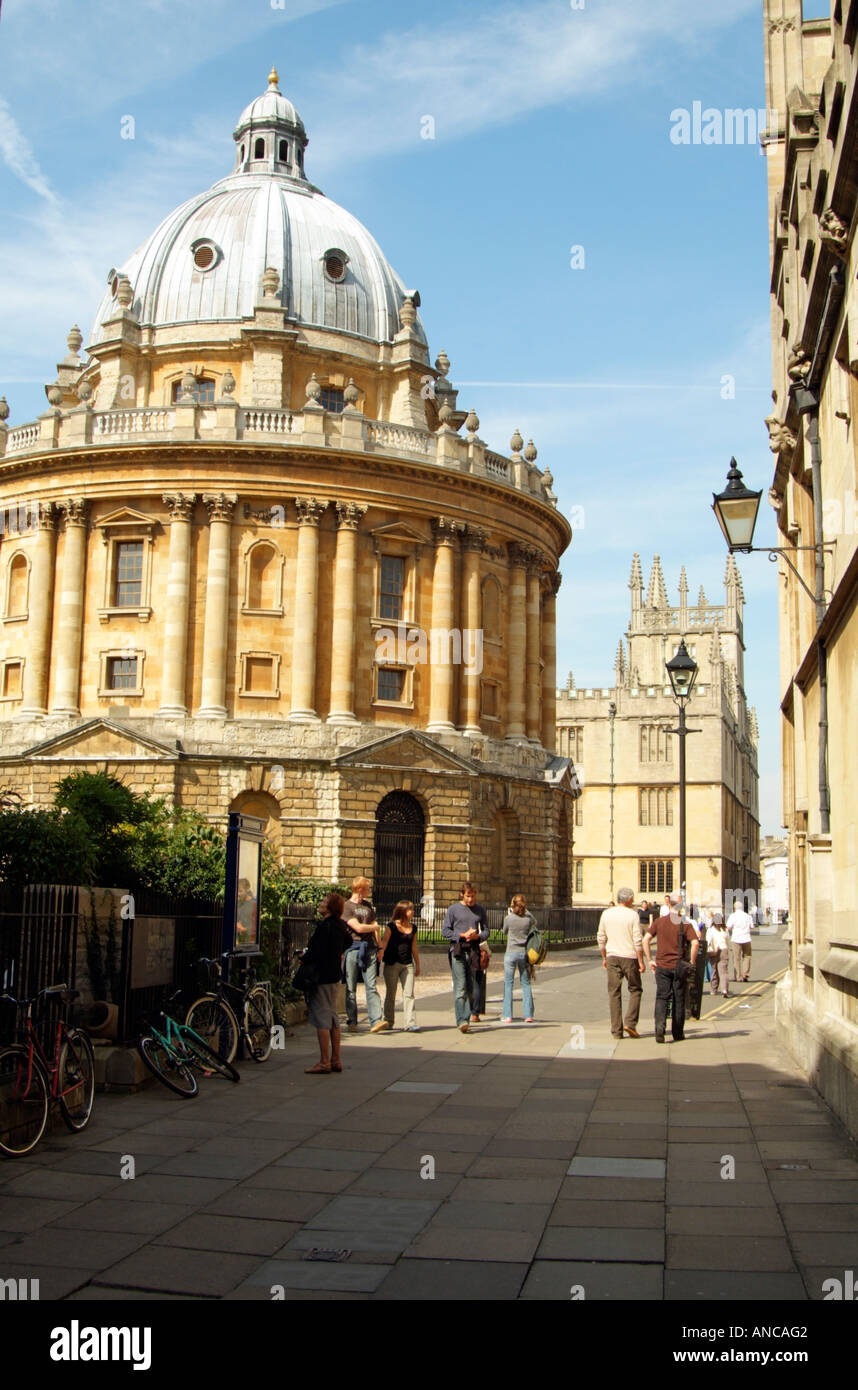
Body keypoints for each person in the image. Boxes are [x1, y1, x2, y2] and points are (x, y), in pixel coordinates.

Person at [302, 892, 352, 1073]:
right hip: (334, 974)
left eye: (324, 902)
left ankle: (324, 1062)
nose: (321, 903)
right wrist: (336, 952)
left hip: (321, 975)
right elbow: (348, 941)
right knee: (333, 1017)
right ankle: (336, 1059)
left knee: (322, 1018)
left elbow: (316, 951)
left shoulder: (325, 926)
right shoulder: (341, 925)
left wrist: (304, 958)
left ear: (330, 907)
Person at [643, 890, 699, 1043]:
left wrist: (650, 959)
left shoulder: (659, 922)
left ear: (669, 903)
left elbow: (645, 940)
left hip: (661, 965)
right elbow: (695, 943)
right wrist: (692, 962)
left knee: (662, 997)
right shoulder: (685, 923)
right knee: (678, 999)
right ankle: (677, 1033)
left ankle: (659, 1031)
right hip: (679, 966)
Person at [597, 887, 645, 1040]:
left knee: (614, 993)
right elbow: (638, 940)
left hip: (612, 956)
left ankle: (616, 1031)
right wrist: (641, 961)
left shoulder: (606, 913)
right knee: (635, 989)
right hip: (630, 957)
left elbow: (601, 938)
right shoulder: (633, 915)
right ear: (629, 899)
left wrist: (604, 957)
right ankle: (630, 1023)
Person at [441, 882, 488, 1033]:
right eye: (468, 896)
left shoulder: (480, 910)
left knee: (470, 989)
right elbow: (445, 931)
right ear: (462, 894)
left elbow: (487, 931)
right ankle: (461, 1020)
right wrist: (462, 935)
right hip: (458, 950)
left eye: (473, 896)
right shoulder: (453, 909)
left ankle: (465, 1018)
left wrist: (478, 936)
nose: (470, 900)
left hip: (473, 951)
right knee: (460, 986)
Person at [342, 876, 387, 1033]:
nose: (370, 890)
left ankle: (376, 1020)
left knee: (372, 985)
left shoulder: (368, 906)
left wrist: (380, 947)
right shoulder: (347, 907)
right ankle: (352, 1021)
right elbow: (358, 928)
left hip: (369, 948)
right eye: (368, 888)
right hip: (353, 949)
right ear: (360, 889)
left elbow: (373, 925)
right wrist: (374, 928)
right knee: (350, 987)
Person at [378, 901, 421, 1032]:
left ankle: (410, 1023)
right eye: (410, 910)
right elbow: (384, 942)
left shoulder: (413, 927)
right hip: (392, 963)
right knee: (391, 994)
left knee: (409, 994)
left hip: (407, 964)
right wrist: (380, 954)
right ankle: (388, 1020)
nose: (413, 912)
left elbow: (414, 947)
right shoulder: (391, 926)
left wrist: (417, 964)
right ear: (402, 911)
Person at [501, 893, 536, 1023]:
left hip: (510, 953)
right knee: (525, 984)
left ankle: (508, 1015)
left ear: (513, 905)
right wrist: (526, 911)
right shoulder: (527, 919)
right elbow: (535, 921)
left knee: (508, 984)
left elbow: (504, 931)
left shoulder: (508, 919)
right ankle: (528, 1015)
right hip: (523, 953)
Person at [727, 899, 753, 981]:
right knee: (747, 956)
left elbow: (728, 927)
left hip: (736, 938)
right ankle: (745, 973)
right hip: (746, 938)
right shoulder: (748, 916)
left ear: (735, 908)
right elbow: (752, 926)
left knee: (736, 958)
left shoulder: (733, 916)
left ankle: (738, 976)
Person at [707, 910, 730, 997]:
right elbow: (727, 941)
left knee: (714, 970)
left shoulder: (710, 930)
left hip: (714, 951)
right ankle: (724, 990)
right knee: (723, 971)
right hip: (724, 950)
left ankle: (714, 989)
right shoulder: (725, 930)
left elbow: (708, 941)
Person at [236, 877, 257, 944]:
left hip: (250, 941)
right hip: (239, 940)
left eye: (240, 891)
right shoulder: (238, 903)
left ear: (247, 890)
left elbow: (256, 925)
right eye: (237, 891)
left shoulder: (254, 904)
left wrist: (244, 929)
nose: (238, 894)